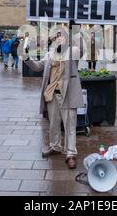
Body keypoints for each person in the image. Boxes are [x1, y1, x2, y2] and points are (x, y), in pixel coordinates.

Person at [23, 30, 84, 169]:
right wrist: (26, 57)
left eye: (61, 35)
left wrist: (76, 29)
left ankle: (70, 154)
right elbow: (37, 67)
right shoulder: (50, 55)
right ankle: (55, 147)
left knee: (70, 125)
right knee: (53, 124)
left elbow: (81, 49)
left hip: (67, 94)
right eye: (56, 36)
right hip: (51, 94)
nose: (58, 38)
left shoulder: (73, 52)